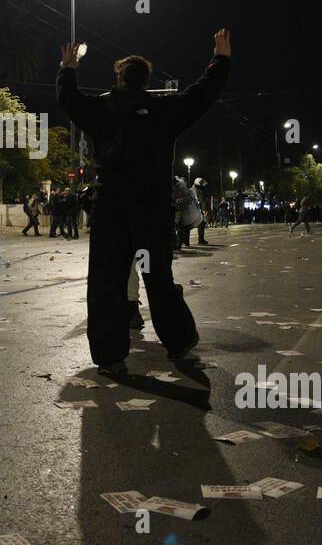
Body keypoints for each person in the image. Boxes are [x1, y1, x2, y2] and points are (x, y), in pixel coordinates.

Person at [56, 29, 232, 376]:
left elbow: (68, 99)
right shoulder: (164, 109)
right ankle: (179, 341)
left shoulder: (101, 108)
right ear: (147, 80)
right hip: (151, 209)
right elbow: (203, 93)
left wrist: (68, 67)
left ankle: (109, 356)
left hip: (111, 208)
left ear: (119, 77)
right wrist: (221, 58)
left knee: (107, 280)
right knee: (157, 277)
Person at [174, 175, 200, 247]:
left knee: (185, 228)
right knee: (180, 227)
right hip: (179, 211)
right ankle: (179, 243)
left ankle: (185, 242)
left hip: (185, 211)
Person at [192, 178, 209, 243]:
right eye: (201, 183)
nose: (203, 184)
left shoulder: (193, 190)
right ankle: (201, 239)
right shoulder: (200, 191)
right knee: (201, 224)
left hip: (194, 209)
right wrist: (204, 210)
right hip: (199, 209)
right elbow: (202, 201)